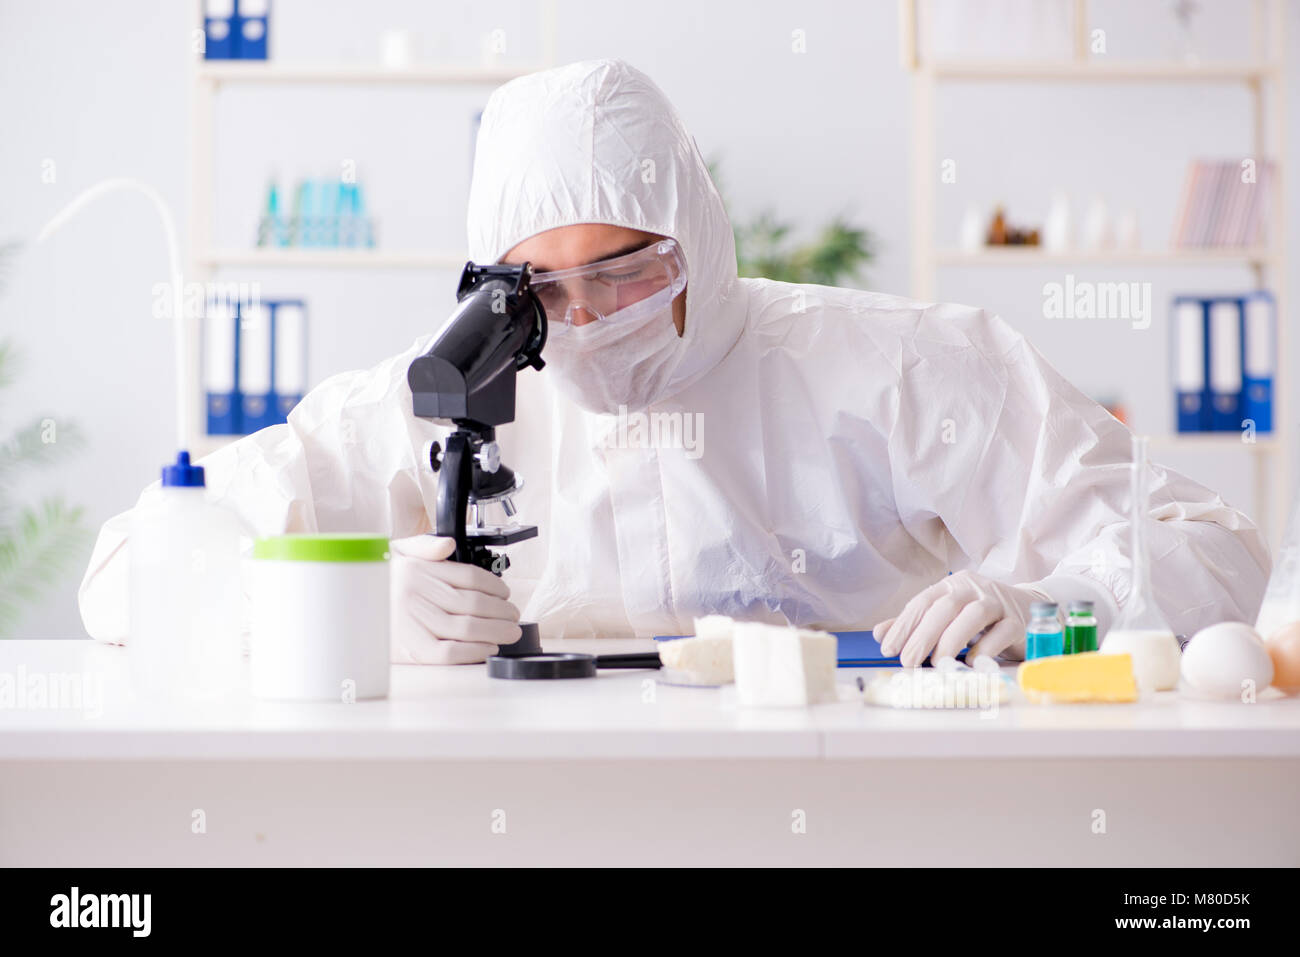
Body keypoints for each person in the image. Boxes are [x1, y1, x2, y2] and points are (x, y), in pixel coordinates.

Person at [79, 59, 1270, 667]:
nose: (588, 318)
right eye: (542, 288)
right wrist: (334, 610)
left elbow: (1213, 547)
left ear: (695, 235)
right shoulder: (440, 397)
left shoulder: (902, 368)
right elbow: (128, 569)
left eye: (627, 271)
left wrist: (1051, 607)